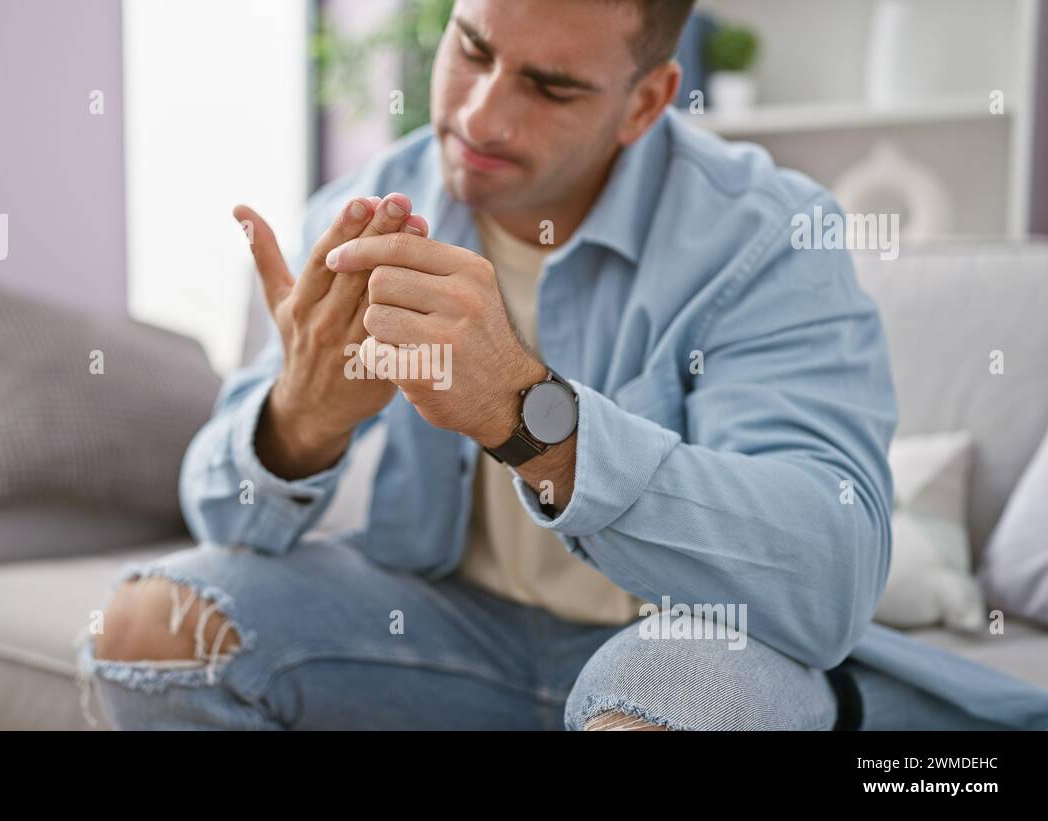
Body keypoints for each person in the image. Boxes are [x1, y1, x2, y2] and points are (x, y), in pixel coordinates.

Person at [79, 0, 1048, 730]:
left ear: (647, 103)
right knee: (150, 625)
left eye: (549, 86)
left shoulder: (767, 236)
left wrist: (525, 410)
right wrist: (298, 422)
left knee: (655, 703)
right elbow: (224, 517)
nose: (482, 116)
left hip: (689, 644)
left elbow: (826, 578)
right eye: (472, 49)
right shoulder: (377, 203)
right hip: (449, 636)